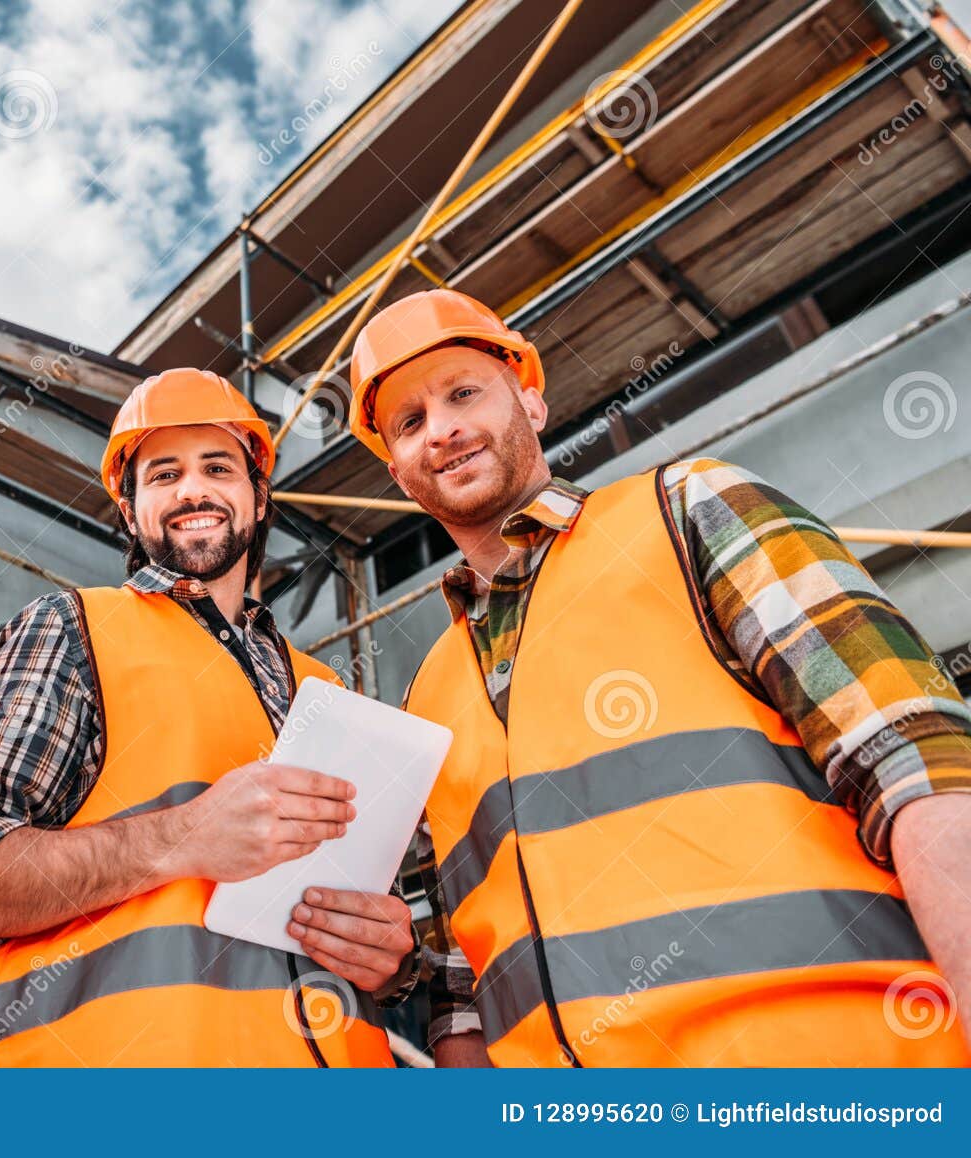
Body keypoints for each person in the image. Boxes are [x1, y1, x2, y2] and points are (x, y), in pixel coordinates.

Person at [348, 286, 971, 1067]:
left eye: (463, 393)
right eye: (409, 422)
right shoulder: (428, 696)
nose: (442, 429)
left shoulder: (688, 510)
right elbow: (459, 984)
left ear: (531, 403)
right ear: (400, 473)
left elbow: (916, 761)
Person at [0, 368, 413, 1066]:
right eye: (164, 474)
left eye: (217, 467)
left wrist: (384, 957)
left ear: (259, 497)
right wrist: (181, 837)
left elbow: (362, 921)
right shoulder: (74, 628)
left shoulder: (325, 687)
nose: (192, 491)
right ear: (129, 508)